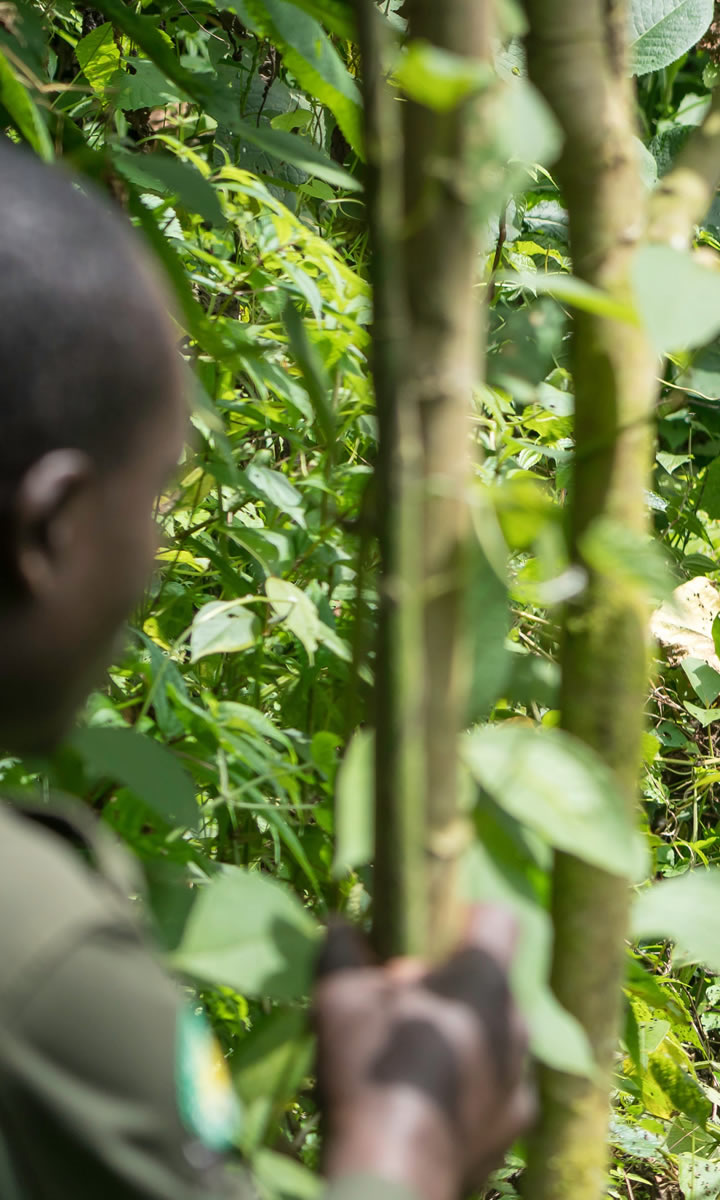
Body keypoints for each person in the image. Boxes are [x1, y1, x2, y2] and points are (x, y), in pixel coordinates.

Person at [0, 146, 535, 1196]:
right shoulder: (38, 957)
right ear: (53, 527)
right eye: (151, 500)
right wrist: (405, 1152)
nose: (152, 557)